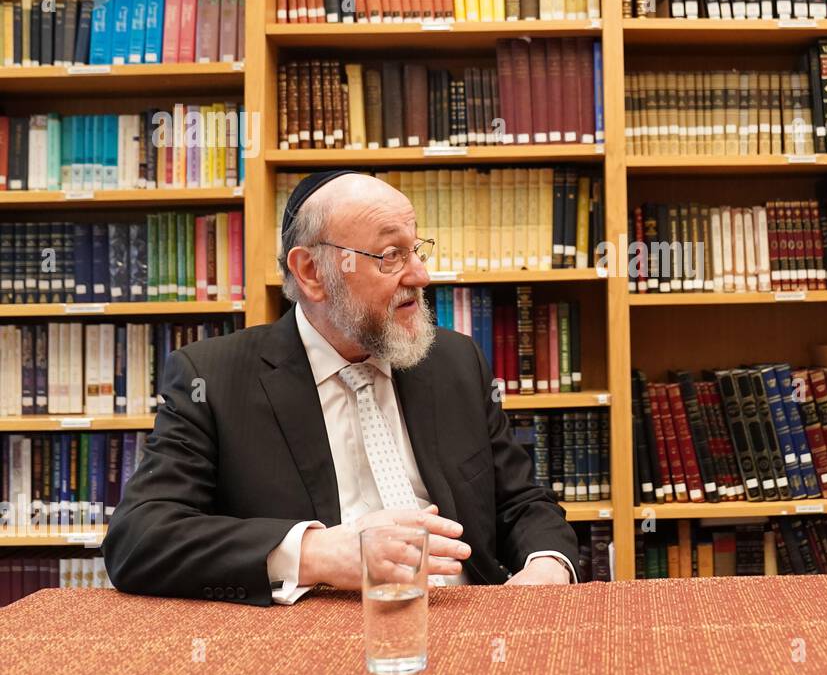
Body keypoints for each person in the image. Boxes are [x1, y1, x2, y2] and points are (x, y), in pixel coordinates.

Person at [104, 170, 580, 604]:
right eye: (391, 255)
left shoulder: (455, 362)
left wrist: (547, 564)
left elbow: (521, 502)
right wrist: (317, 553)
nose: (420, 275)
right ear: (312, 272)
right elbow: (140, 539)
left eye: (416, 250)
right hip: (311, 642)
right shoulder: (213, 377)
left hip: (469, 623)